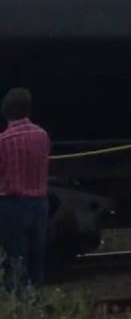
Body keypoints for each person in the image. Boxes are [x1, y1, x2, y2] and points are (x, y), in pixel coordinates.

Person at [0, 88, 51, 291]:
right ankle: (37, 297)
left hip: (12, 204)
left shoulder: (3, 141)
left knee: (15, 260)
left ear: (5, 111)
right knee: (37, 258)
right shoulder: (42, 135)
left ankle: (18, 301)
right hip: (40, 202)